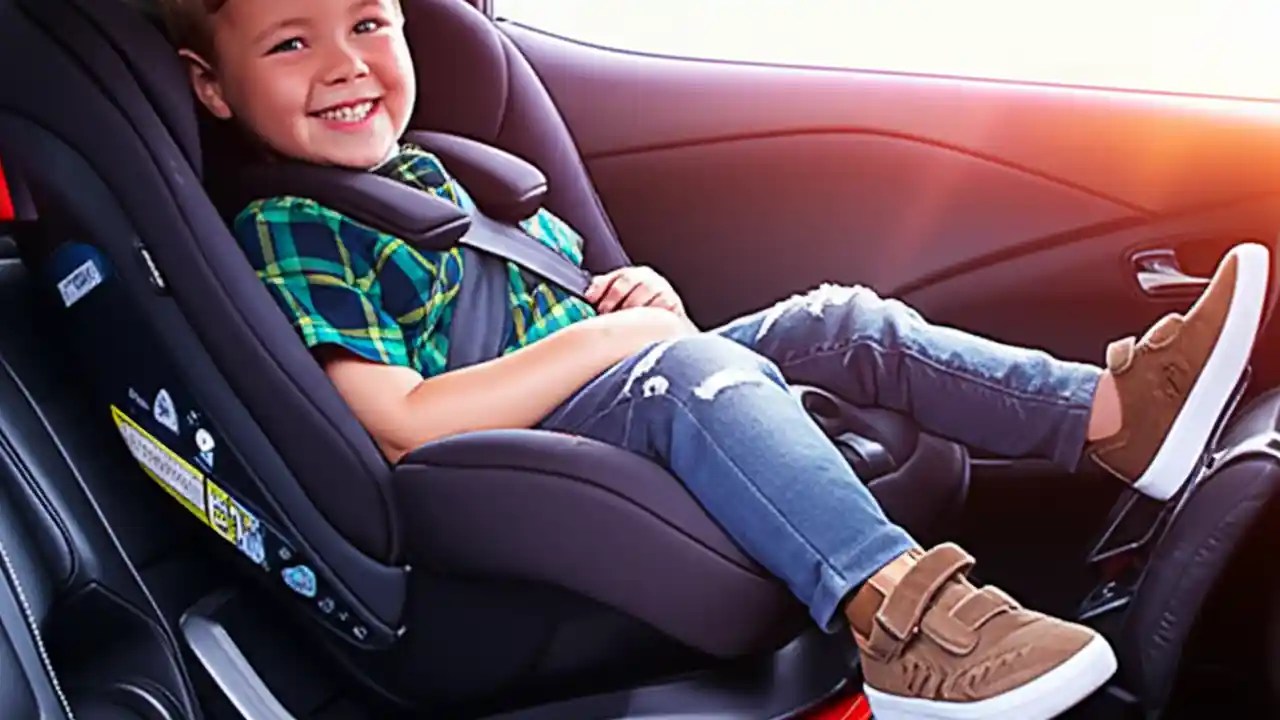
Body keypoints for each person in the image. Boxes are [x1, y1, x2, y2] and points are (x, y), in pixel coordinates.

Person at [157, 0, 1271, 716]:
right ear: (212, 86)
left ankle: (1116, 416)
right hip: (508, 450)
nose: (346, 65)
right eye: (290, 41)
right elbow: (396, 418)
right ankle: (902, 625)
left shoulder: (442, 179)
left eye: (368, 24)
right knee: (691, 373)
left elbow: (581, 314)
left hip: (615, 384)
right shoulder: (294, 226)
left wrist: (637, 302)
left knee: (839, 319)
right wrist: (626, 339)